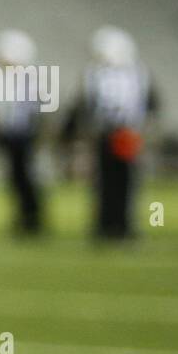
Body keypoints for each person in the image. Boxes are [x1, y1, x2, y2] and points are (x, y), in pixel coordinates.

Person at [63, 26, 158, 240]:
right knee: (105, 182)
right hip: (107, 135)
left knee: (124, 181)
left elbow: (150, 105)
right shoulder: (96, 75)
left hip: (127, 135)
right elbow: (84, 106)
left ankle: (122, 224)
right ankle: (106, 224)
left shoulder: (137, 74)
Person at [0, 29, 46, 235]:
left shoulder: (28, 78)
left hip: (23, 135)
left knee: (26, 176)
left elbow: (32, 109)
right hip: (10, 135)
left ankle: (32, 217)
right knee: (16, 177)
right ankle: (23, 216)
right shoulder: (5, 78)